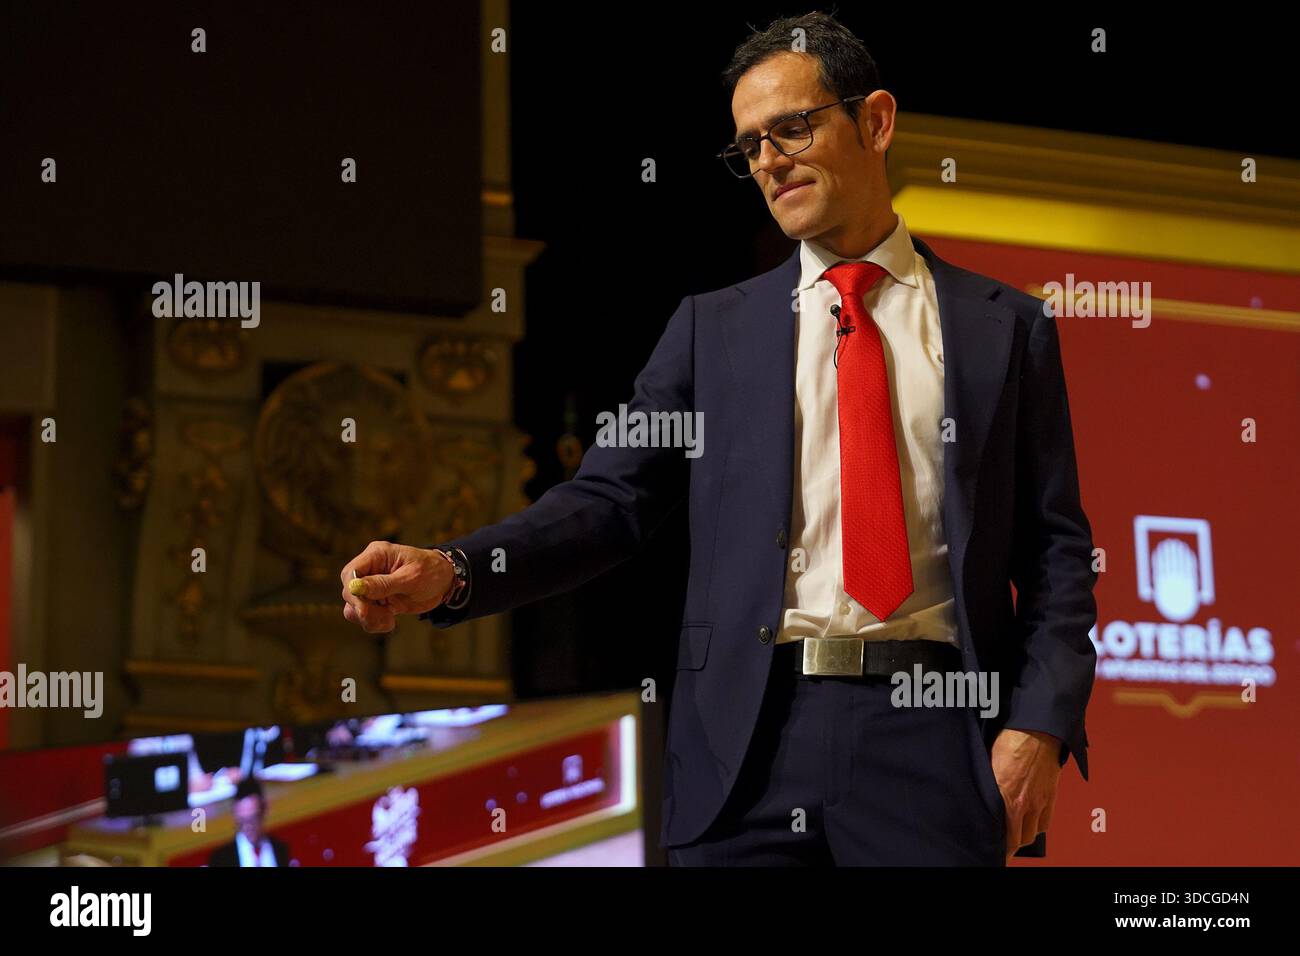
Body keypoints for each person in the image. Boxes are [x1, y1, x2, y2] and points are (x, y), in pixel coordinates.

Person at [340, 11, 1097, 866]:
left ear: (875, 121)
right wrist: (456, 571)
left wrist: (1039, 725)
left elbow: (1057, 555)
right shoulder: (712, 333)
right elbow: (606, 503)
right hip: (745, 749)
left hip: (935, 738)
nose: (768, 161)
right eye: (749, 146)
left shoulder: (1005, 327)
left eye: (792, 128)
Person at [207, 779, 291, 867]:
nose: (247, 827)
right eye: (242, 821)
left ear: (264, 810)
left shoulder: (280, 849)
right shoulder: (221, 859)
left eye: (252, 819)